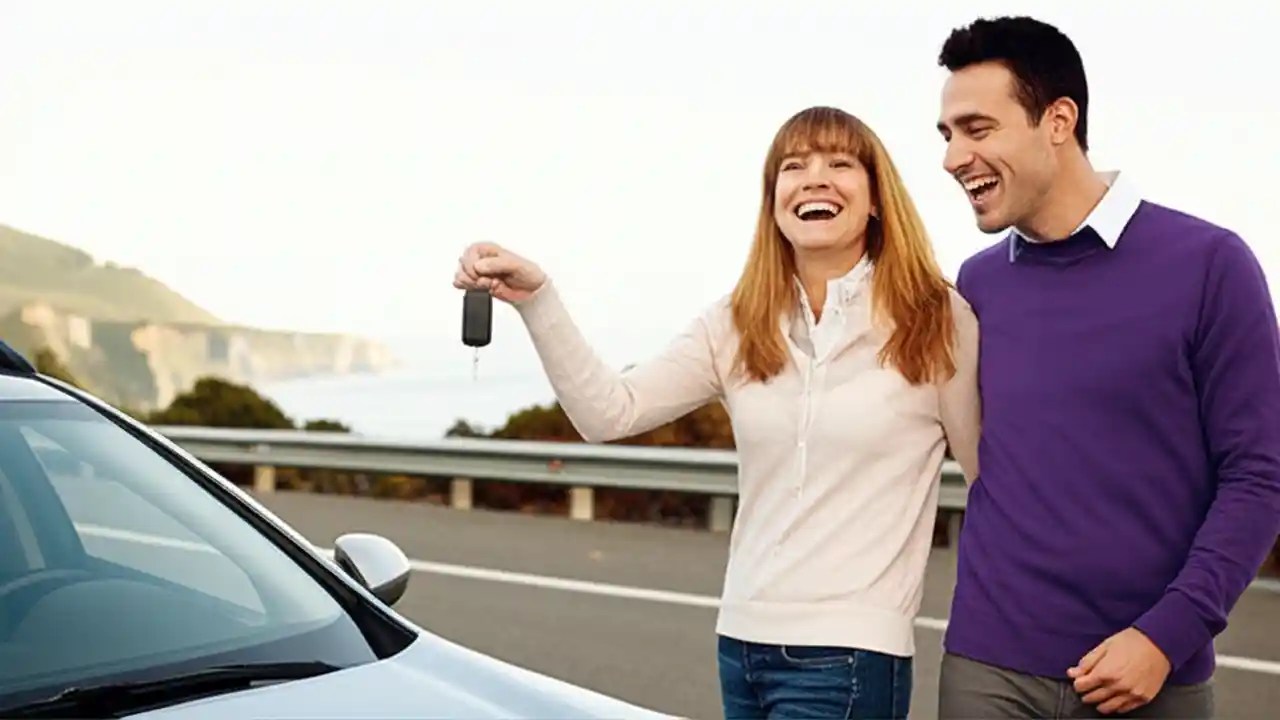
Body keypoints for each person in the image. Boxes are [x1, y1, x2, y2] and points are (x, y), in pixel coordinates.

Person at [454, 105, 980, 719]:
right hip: (742, 646)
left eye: (839, 164)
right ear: (773, 200)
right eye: (794, 166)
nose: (814, 178)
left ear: (875, 201)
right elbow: (608, 413)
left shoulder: (936, 319)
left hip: (852, 655)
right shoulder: (735, 321)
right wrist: (537, 299)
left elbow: (989, 478)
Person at [933, 15, 1280, 719]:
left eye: (977, 128)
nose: (952, 157)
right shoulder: (974, 286)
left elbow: (1260, 474)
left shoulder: (1210, 265)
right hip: (986, 668)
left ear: (1058, 120)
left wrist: (1167, 636)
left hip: (1153, 677)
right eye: (947, 136)